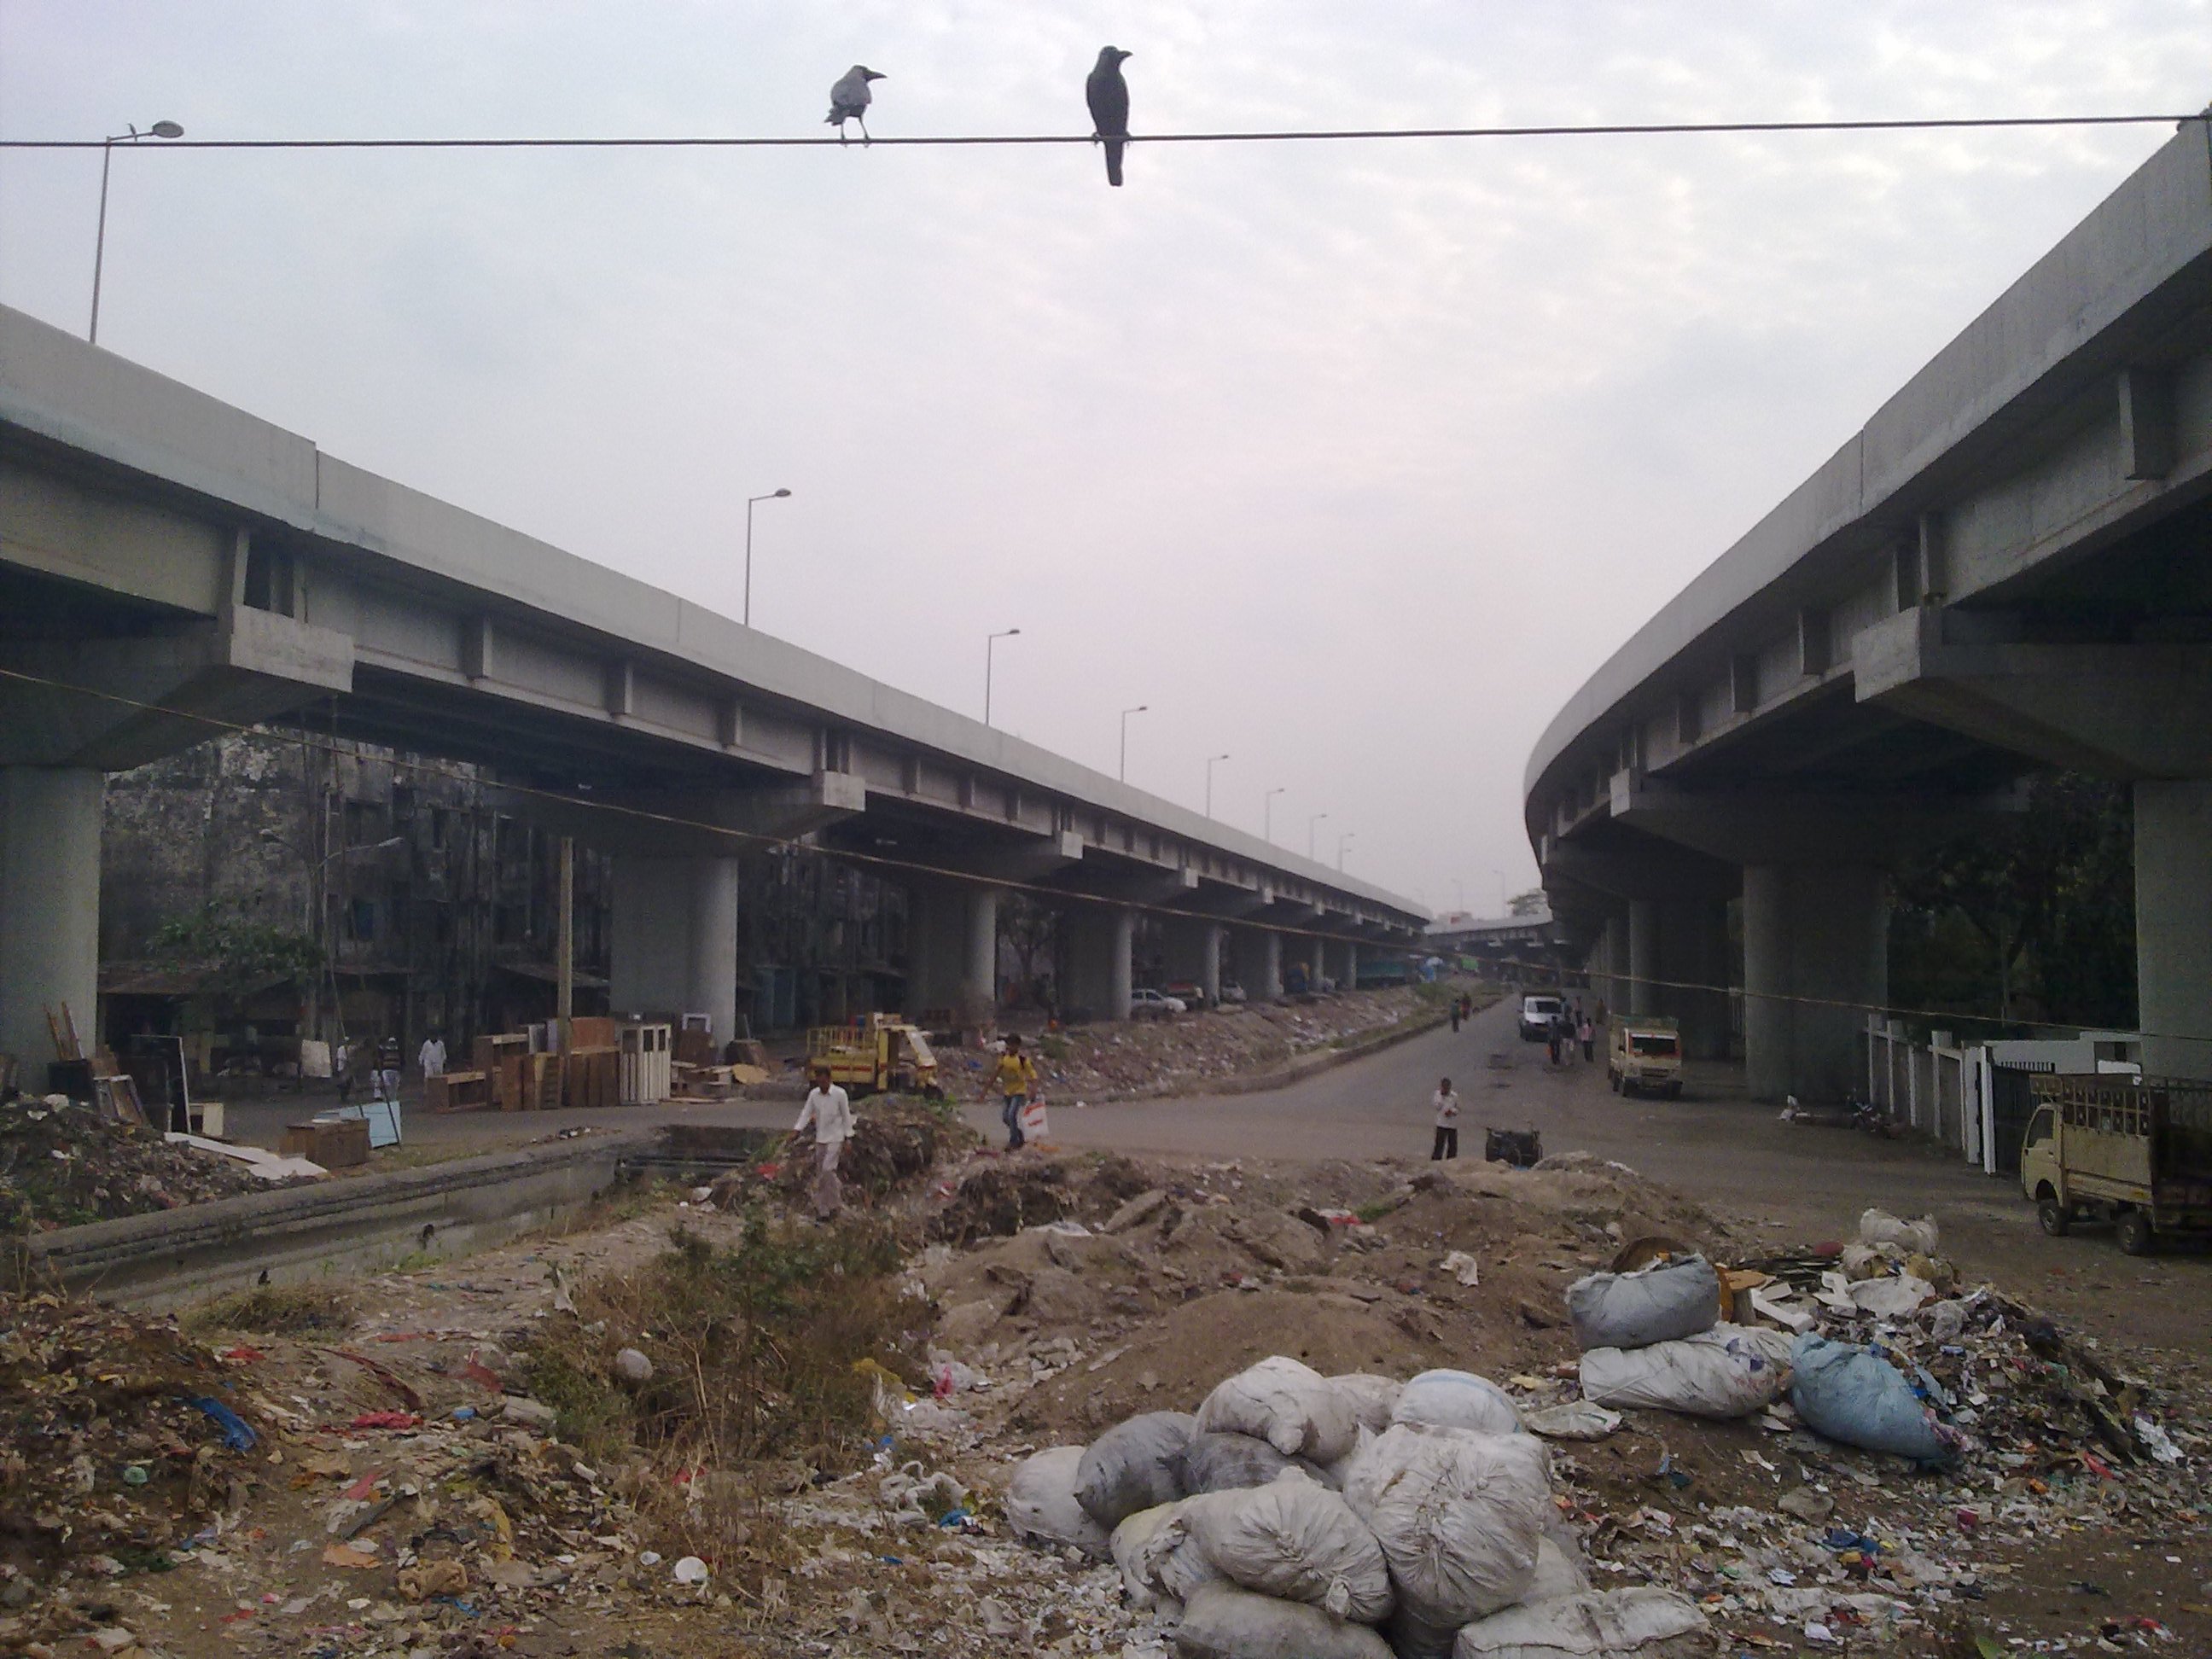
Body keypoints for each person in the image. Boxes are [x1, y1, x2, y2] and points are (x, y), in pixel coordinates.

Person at [791, 1063, 854, 1221]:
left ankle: (834, 1205)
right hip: (821, 1137)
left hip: (836, 1137)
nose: (822, 1084)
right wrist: (797, 1130)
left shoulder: (840, 1094)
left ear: (829, 1079)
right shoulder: (814, 1095)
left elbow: (846, 1117)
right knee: (822, 1175)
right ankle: (824, 1210)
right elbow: (806, 1113)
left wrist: (848, 1138)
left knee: (828, 1170)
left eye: (824, 1081)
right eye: (819, 1081)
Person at [994, 1033, 1039, 1151]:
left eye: (1013, 1045)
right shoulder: (1004, 1058)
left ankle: (1013, 1141)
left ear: (1018, 1046)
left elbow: (1033, 1075)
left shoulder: (1023, 1060)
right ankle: (1018, 1134)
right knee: (1005, 1117)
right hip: (1007, 1092)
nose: (1010, 1047)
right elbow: (996, 1073)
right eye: (1009, 1044)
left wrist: (1033, 1089)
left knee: (1011, 1114)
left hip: (1019, 1091)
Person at [1431, 1076, 1460, 1161]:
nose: (1446, 1089)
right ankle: (1436, 1161)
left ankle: (1451, 1161)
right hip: (1441, 1123)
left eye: (1447, 1087)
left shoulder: (1454, 1096)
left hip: (1452, 1124)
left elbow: (1458, 1108)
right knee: (1439, 1145)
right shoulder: (1437, 1094)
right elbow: (1437, 1107)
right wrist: (1442, 1097)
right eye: (1444, 1087)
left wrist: (1452, 1111)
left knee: (1453, 1146)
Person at [373, 1035, 402, 1103]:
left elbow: (401, 1061)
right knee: (387, 1085)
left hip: (396, 1071)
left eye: (393, 1042)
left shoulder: (399, 1050)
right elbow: (381, 1060)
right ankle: (387, 1099)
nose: (392, 1044)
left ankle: (393, 1100)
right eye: (391, 1042)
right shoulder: (385, 1050)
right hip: (386, 1070)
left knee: (395, 1086)